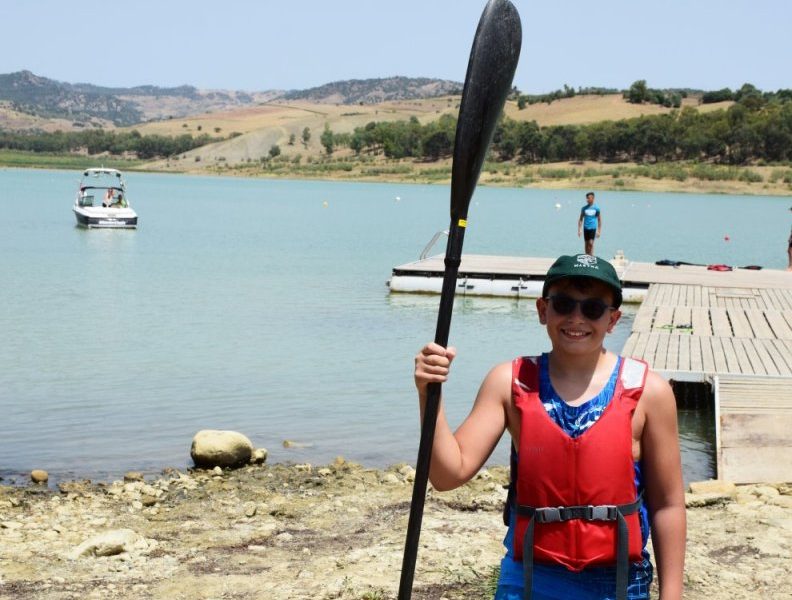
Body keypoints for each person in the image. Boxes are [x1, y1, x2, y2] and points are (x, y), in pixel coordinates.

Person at [414, 254, 685, 600]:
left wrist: (671, 594)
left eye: (593, 309)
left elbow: (668, 504)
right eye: (563, 304)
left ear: (613, 319)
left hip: (617, 582)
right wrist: (429, 395)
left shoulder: (650, 393)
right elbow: (447, 474)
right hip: (530, 577)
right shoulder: (509, 382)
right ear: (543, 310)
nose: (576, 318)